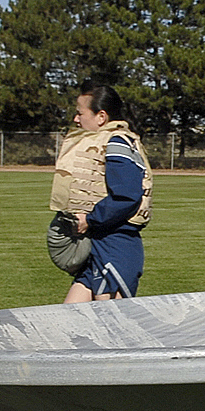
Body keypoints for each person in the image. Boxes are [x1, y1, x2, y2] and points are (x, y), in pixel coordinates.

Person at [50, 84, 153, 302]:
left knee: (110, 326)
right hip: (96, 241)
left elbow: (126, 196)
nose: (76, 120)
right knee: (70, 319)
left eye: (80, 113)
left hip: (116, 245)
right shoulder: (104, 141)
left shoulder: (117, 142)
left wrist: (90, 219)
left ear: (101, 116)